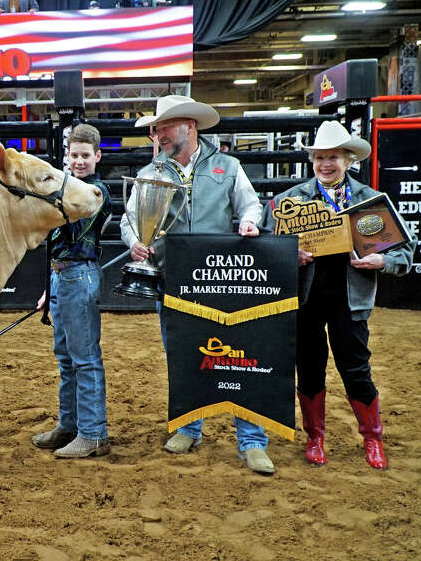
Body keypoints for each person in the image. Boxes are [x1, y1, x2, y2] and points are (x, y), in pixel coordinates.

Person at [119, 94, 275, 475]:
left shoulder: (228, 166)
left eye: (163, 127)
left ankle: (252, 440)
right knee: (183, 358)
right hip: (173, 278)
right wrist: (134, 242)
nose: (157, 134)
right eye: (155, 129)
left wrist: (249, 222)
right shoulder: (150, 173)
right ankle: (189, 426)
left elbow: (250, 204)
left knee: (239, 358)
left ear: (188, 126)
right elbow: (130, 219)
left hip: (222, 281)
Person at [264, 121, 415, 469]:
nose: (325, 164)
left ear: (348, 160)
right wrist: (289, 254)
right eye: (319, 157)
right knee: (310, 368)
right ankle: (314, 437)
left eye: (332, 157)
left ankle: (372, 437)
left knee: (356, 369)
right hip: (305, 300)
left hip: (351, 299)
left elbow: (404, 252)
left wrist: (382, 259)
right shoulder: (292, 201)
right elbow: (270, 250)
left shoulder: (368, 201)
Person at [32, 124, 111, 458]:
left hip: (80, 275)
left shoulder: (96, 191)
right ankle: (70, 425)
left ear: (97, 156)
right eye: (73, 155)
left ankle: (93, 433)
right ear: (67, 157)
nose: (79, 161)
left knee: (84, 358)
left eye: (85, 156)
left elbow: (71, 228)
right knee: (66, 358)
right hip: (61, 276)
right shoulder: (69, 189)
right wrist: (49, 290)